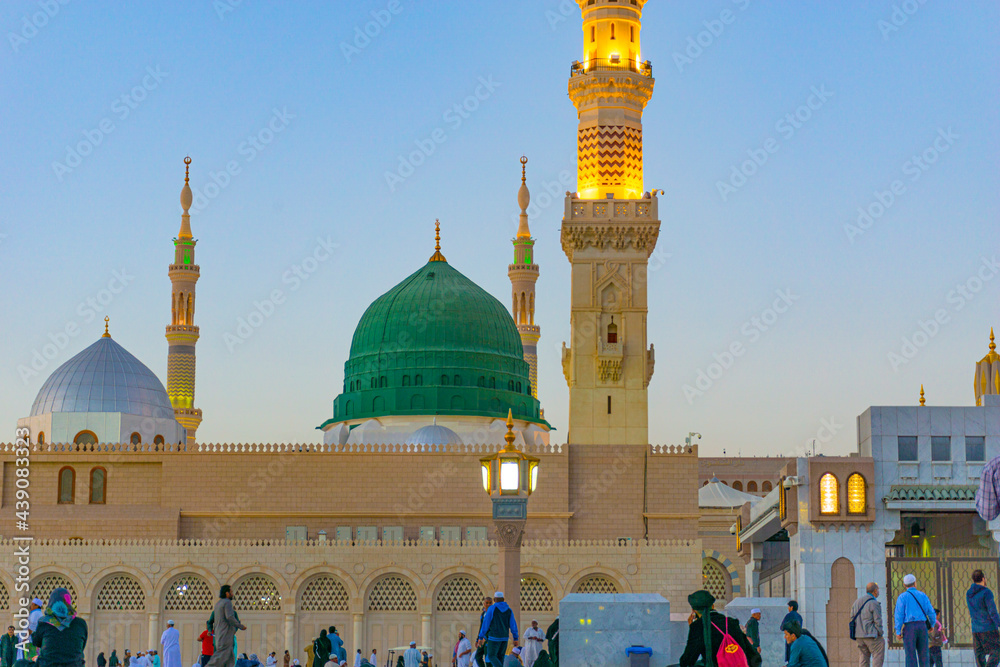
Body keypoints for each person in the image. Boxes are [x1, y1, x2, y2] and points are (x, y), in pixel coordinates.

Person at [678, 590, 759, 667]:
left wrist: (692, 627)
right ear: (712, 606)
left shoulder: (697, 627)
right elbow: (753, 655)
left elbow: (687, 661)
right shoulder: (731, 622)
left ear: (693, 611)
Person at [31, 588, 88, 667]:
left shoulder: (44, 622)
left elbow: (36, 642)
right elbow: (81, 646)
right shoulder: (80, 623)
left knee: (20, 663)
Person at [894, 573, 936, 667]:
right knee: (924, 655)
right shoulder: (923, 595)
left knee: (910, 656)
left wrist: (898, 630)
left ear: (904, 585)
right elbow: (931, 612)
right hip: (922, 626)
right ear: (915, 583)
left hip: (909, 628)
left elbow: (899, 615)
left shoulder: (902, 597)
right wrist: (932, 625)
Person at [205, 586, 246, 667]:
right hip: (223, 637)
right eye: (231, 591)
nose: (232, 593)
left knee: (230, 660)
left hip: (227, 638)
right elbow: (211, 622)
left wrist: (235, 629)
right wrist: (210, 630)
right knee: (219, 658)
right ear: (227, 593)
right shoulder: (222, 606)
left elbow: (235, 621)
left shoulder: (225, 608)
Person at [968, 569, 1000, 667]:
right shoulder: (986, 592)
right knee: (997, 651)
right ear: (983, 578)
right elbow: (992, 611)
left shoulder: (969, 593)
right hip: (988, 628)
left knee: (979, 654)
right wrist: (998, 623)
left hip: (975, 629)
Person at [478, 592, 518, 667]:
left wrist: (480, 637)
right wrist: (515, 638)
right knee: (500, 658)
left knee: (491, 656)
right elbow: (513, 625)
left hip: (494, 638)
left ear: (494, 599)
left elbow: (485, 624)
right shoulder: (509, 610)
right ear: (503, 599)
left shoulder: (492, 609)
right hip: (504, 638)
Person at [851, 582, 884, 667]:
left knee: (863, 659)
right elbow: (878, 620)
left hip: (859, 636)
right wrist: (879, 633)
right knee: (878, 655)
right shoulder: (874, 603)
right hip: (871, 635)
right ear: (875, 591)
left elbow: (852, 617)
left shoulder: (856, 602)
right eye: (878, 590)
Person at [475, 598, 492, 667]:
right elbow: (481, 627)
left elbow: (492, 628)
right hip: (482, 639)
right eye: (487, 603)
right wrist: (478, 639)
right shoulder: (483, 614)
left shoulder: (493, 613)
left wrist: (485, 637)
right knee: (478, 657)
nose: (488, 604)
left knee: (488, 658)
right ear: (484, 604)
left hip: (489, 639)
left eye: (490, 603)